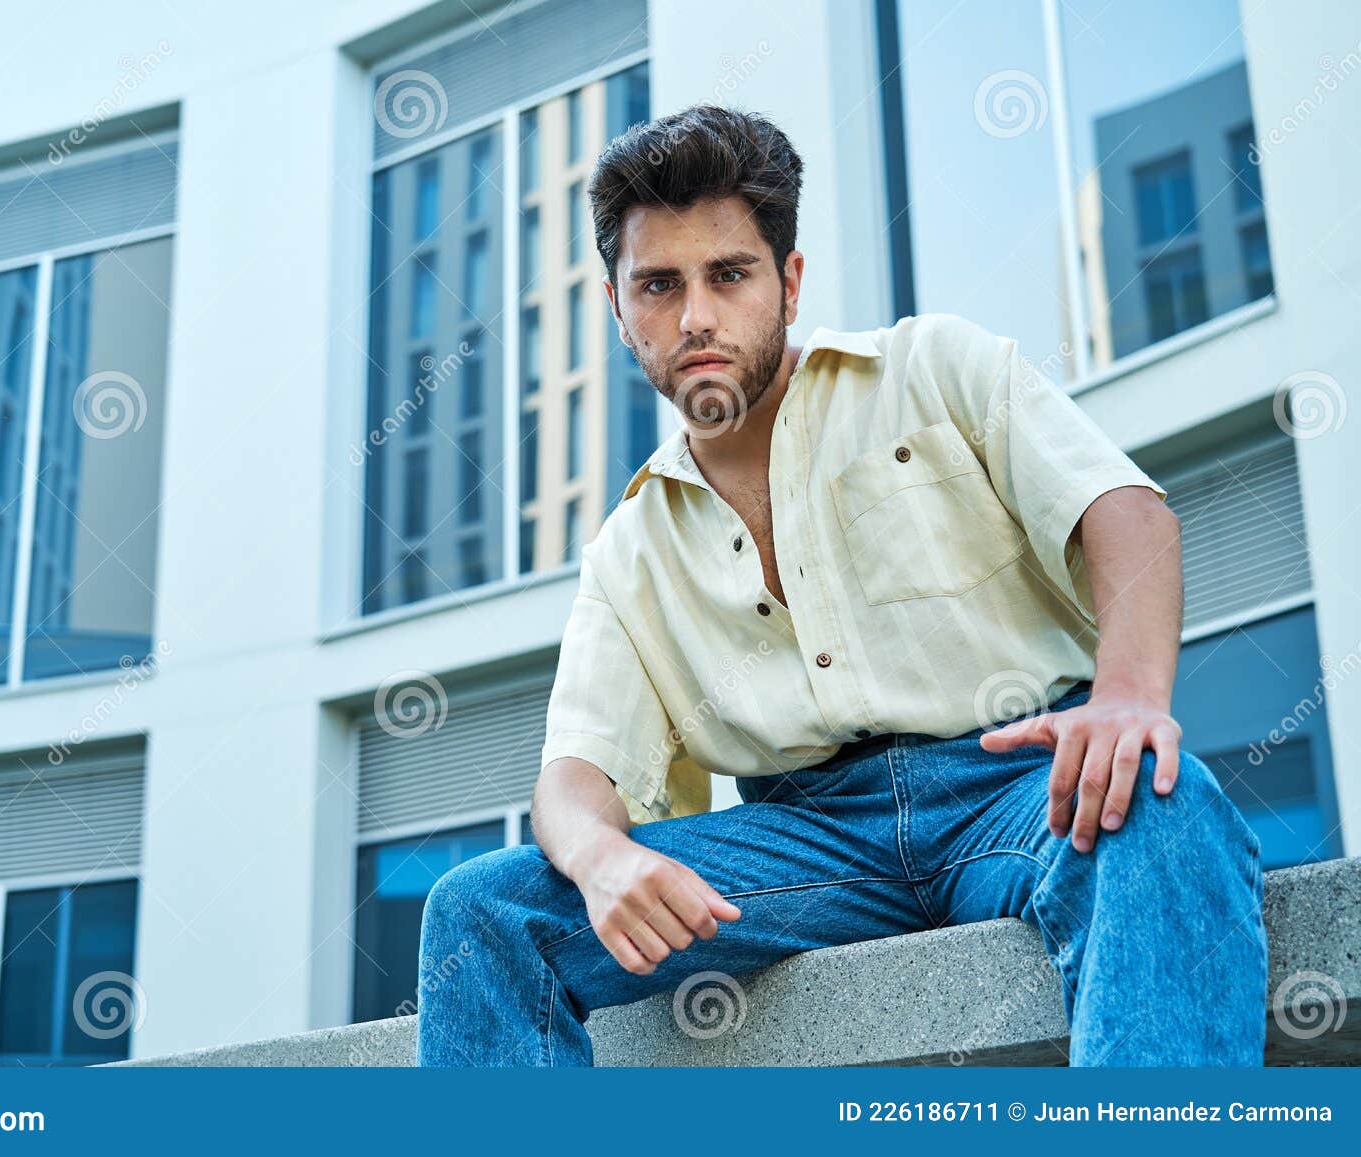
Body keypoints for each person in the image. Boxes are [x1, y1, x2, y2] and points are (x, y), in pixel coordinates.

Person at [415, 104, 1267, 1067]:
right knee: (483, 908)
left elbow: (1128, 514)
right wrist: (600, 854)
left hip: (1017, 787)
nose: (695, 316)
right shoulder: (629, 548)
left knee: (1158, 801)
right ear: (618, 311)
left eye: (728, 275)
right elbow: (577, 773)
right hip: (799, 844)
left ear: (788, 281)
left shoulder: (933, 368)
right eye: (658, 285)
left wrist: (1127, 697)